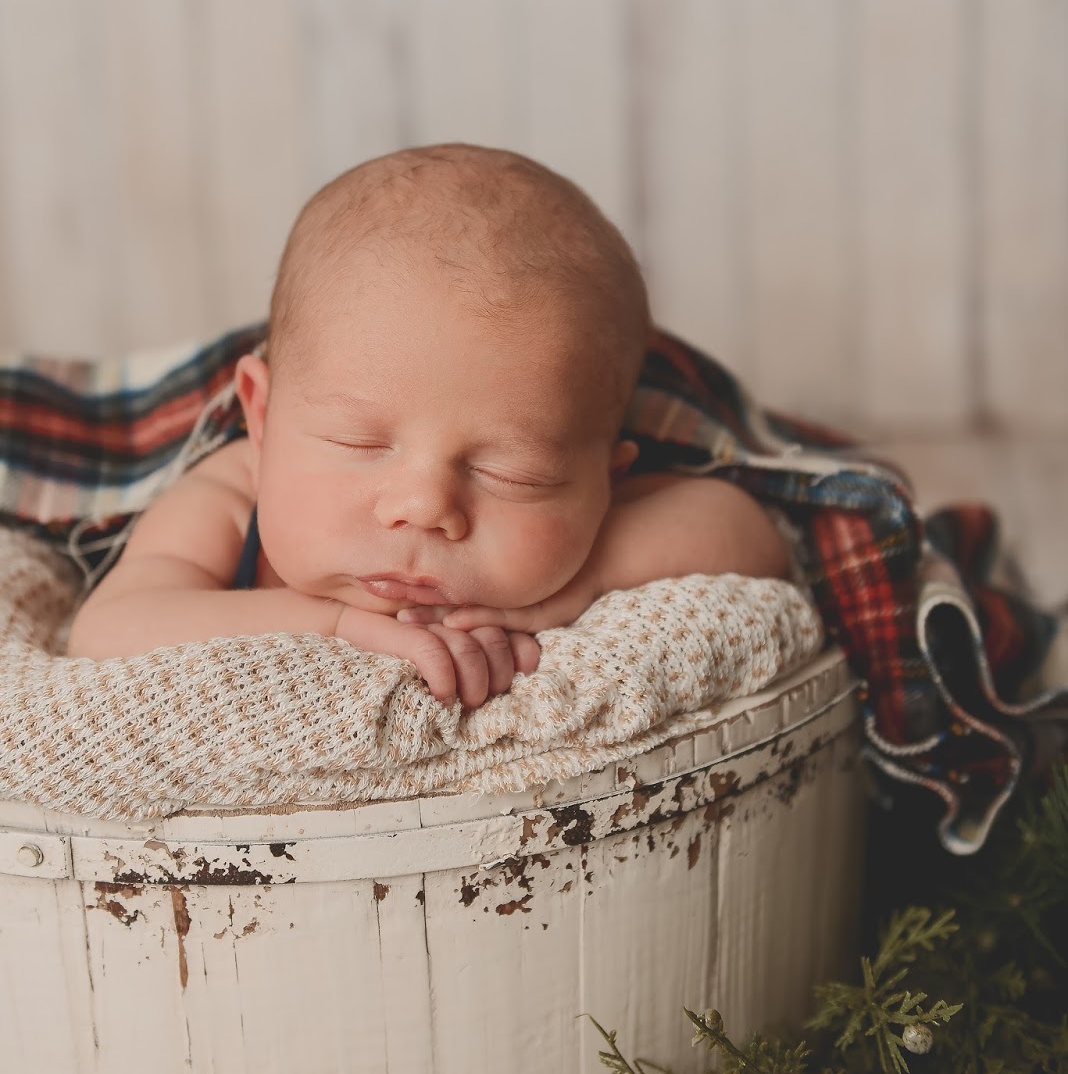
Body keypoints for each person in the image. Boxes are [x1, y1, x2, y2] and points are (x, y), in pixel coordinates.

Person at [66, 143, 789, 707]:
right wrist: (335, 627)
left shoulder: (588, 524)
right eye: (360, 442)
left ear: (605, 479)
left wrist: (585, 580)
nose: (424, 506)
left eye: (511, 474)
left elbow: (751, 532)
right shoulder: (232, 495)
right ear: (261, 416)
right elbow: (109, 628)